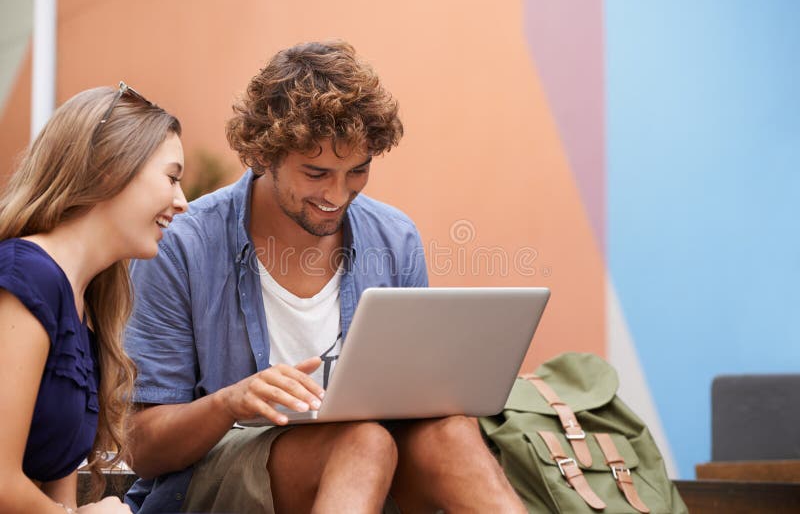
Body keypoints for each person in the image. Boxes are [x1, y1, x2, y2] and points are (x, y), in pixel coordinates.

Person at [124, 40, 526, 513]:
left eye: (357, 170)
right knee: (363, 442)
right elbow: (143, 448)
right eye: (316, 173)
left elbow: (421, 405)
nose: (337, 194)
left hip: (371, 468)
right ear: (262, 155)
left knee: (452, 430)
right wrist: (230, 402)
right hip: (216, 477)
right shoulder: (183, 245)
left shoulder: (394, 239)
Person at [0, 83, 188, 513]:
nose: (182, 202)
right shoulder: (24, 276)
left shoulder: (82, 302)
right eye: (172, 177)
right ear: (110, 168)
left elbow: (57, 494)